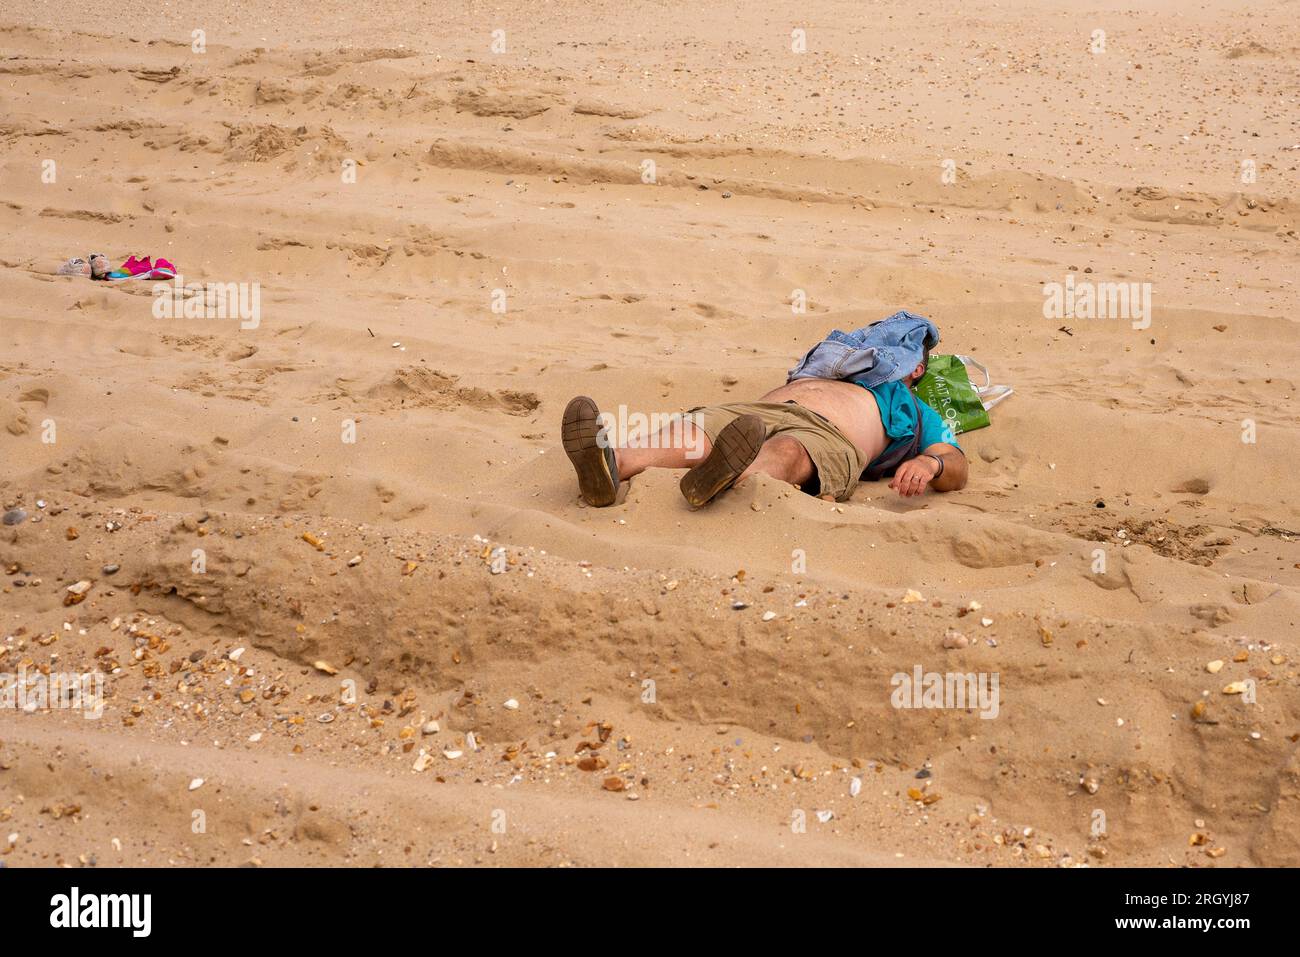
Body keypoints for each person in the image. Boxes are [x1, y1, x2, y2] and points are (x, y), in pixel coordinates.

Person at [561, 344, 967, 507]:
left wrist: (931, 466)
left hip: (827, 434)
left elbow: (955, 462)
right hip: (755, 413)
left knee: (789, 452)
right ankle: (608, 466)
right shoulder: (839, 364)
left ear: (918, 367)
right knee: (693, 433)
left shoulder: (918, 411)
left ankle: (719, 477)